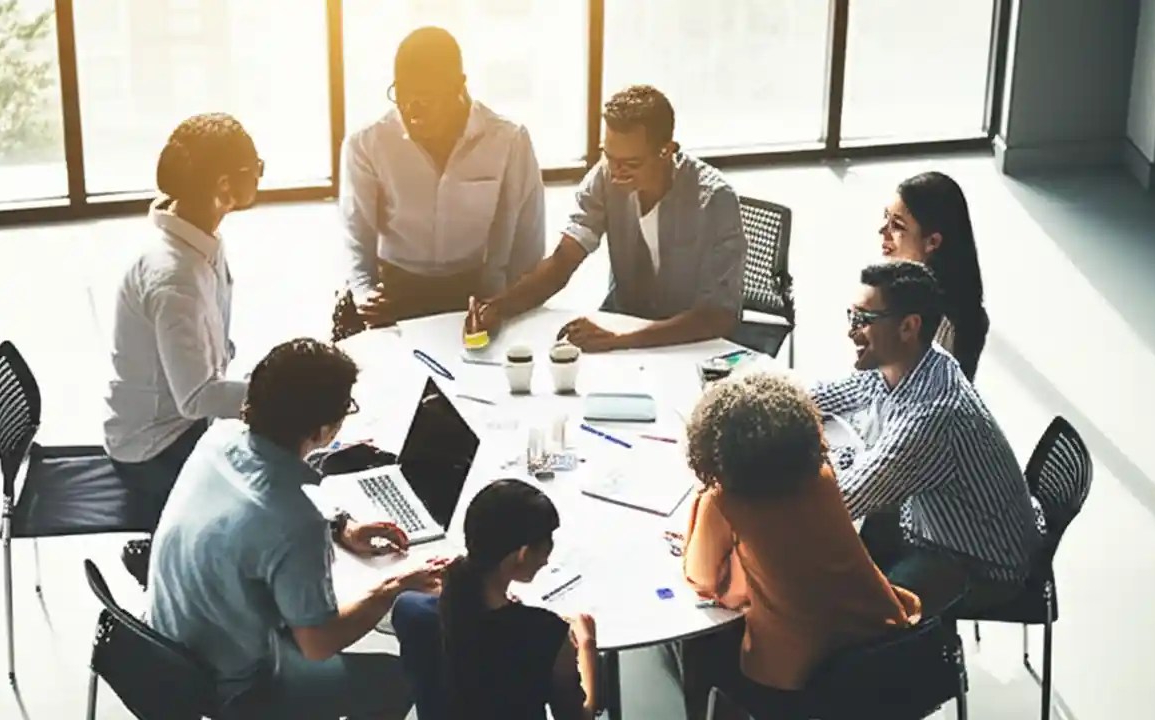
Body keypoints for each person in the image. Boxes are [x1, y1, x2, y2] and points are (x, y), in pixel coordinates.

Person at [146, 338, 445, 720]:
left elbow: (263, 507)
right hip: (227, 686)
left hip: (163, 645)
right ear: (323, 430)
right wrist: (393, 587)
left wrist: (340, 526)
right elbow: (318, 643)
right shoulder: (296, 523)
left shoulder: (217, 438)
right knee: (398, 678)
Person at [678, 372, 921, 720]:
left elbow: (700, 578)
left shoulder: (723, 502)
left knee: (697, 650)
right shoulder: (822, 476)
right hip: (884, 650)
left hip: (805, 681)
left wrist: (699, 515)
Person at [810, 260, 1039, 616]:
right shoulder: (912, 360)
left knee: (850, 612)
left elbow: (839, 504)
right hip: (932, 522)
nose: (851, 332)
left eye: (863, 320)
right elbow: (824, 396)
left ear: (908, 327)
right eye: (851, 316)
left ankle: (917, 647)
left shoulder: (930, 417)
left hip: (978, 563)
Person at [104, 112, 262, 586]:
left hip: (169, 422)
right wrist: (285, 394)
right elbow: (196, 398)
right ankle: (176, 565)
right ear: (224, 185)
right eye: (255, 167)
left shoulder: (196, 239)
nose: (259, 175)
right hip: (157, 447)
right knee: (266, 500)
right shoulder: (176, 277)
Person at [467, 85, 747, 352]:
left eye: (630, 163)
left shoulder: (714, 200)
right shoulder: (605, 178)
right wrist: (497, 307)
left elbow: (718, 316)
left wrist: (620, 340)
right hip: (624, 334)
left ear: (666, 150)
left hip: (689, 346)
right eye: (609, 157)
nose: (615, 172)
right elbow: (563, 262)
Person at [334, 26, 544, 341]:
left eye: (425, 98)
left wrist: (504, 305)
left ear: (458, 86)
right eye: (402, 95)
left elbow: (526, 241)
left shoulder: (508, 141)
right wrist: (365, 294)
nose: (411, 110)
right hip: (394, 289)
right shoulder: (366, 144)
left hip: (476, 291)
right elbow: (357, 235)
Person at [391, 479, 598, 720]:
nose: (546, 559)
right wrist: (587, 645)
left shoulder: (409, 610)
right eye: (547, 543)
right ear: (522, 554)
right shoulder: (547, 634)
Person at [878, 171, 989, 380]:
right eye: (886, 218)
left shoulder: (946, 329)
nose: (882, 231)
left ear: (932, 242)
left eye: (897, 226)